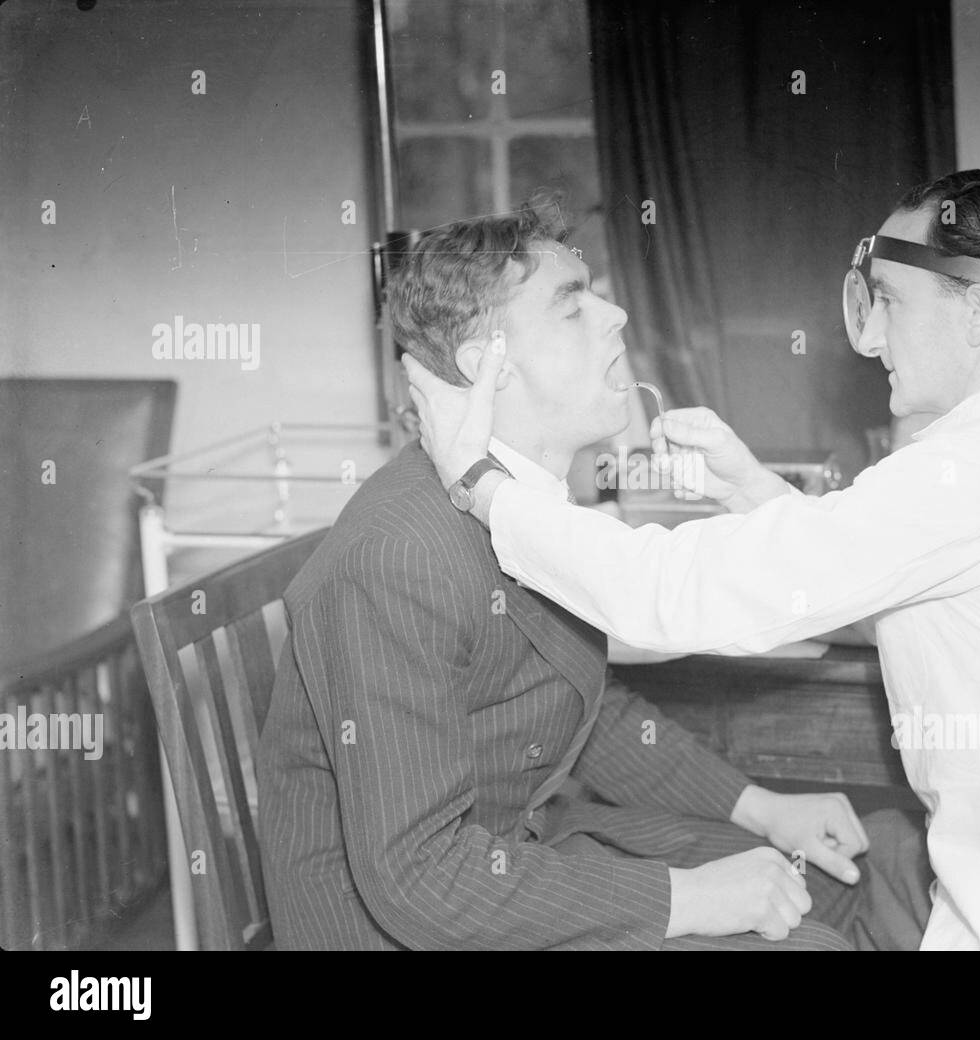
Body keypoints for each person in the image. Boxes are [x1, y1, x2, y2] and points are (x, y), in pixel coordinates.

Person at [404, 171, 980, 951]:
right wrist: (751, 486)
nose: (873, 333)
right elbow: (903, 579)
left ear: (975, 314)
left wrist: (485, 484)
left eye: (888, 301)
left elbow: (665, 591)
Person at [256, 192, 933, 951]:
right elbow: (418, 877)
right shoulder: (401, 552)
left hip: (511, 854)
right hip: (408, 921)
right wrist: (685, 898)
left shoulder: (522, 510)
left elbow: (584, 707)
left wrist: (762, 809)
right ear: (488, 366)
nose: (614, 318)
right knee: (811, 944)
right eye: (573, 307)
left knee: (851, 879)